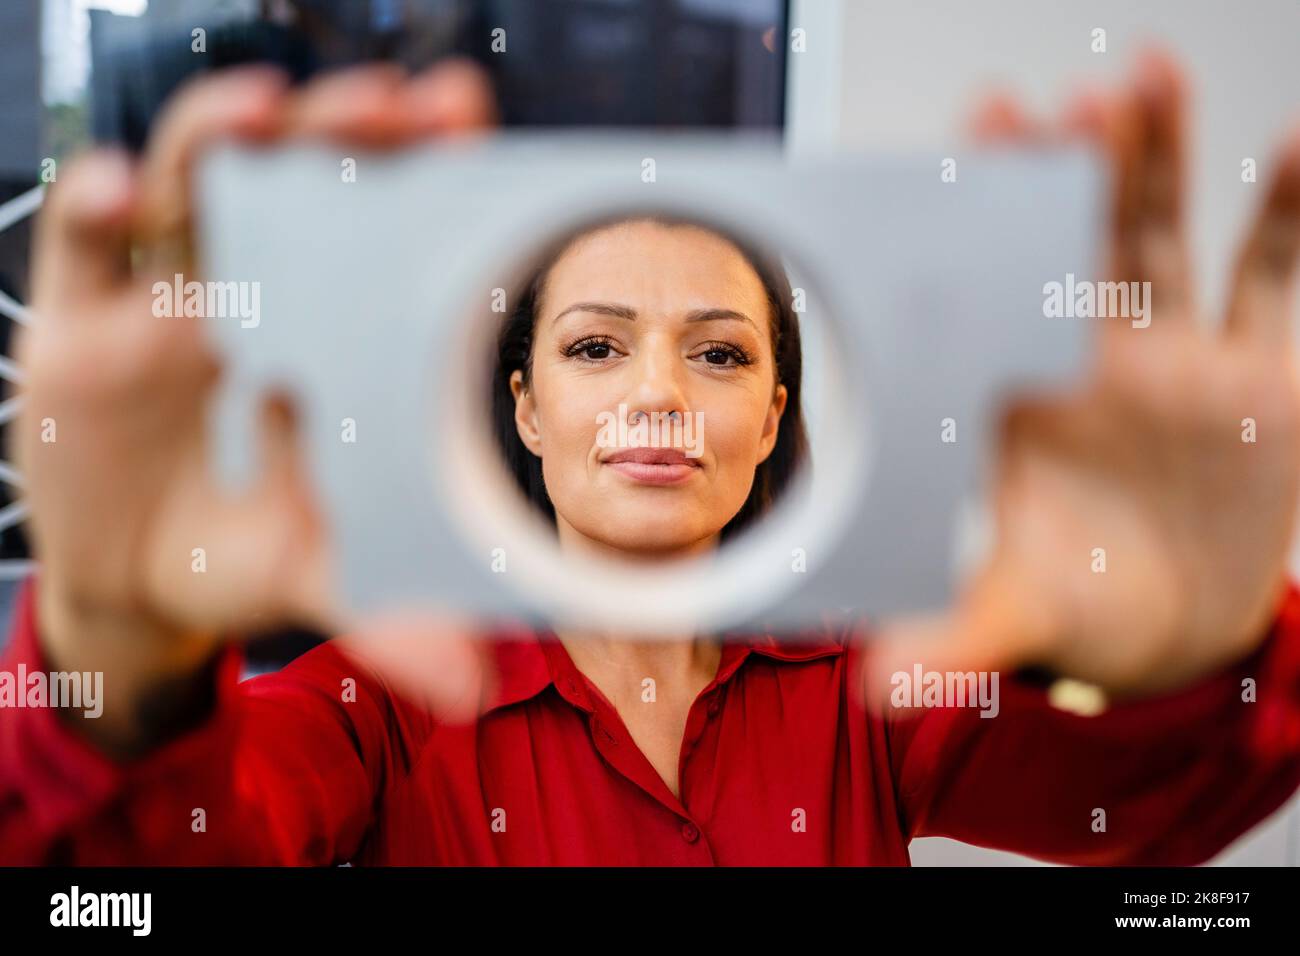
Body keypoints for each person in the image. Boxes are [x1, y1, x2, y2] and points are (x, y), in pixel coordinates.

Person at [2, 50, 1299, 864]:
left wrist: (1206, 658)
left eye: (723, 356)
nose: (663, 396)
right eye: (595, 349)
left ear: (778, 414)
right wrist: (114, 657)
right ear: (520, 408)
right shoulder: (381, 704)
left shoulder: (880, 682)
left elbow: (1148, 812)